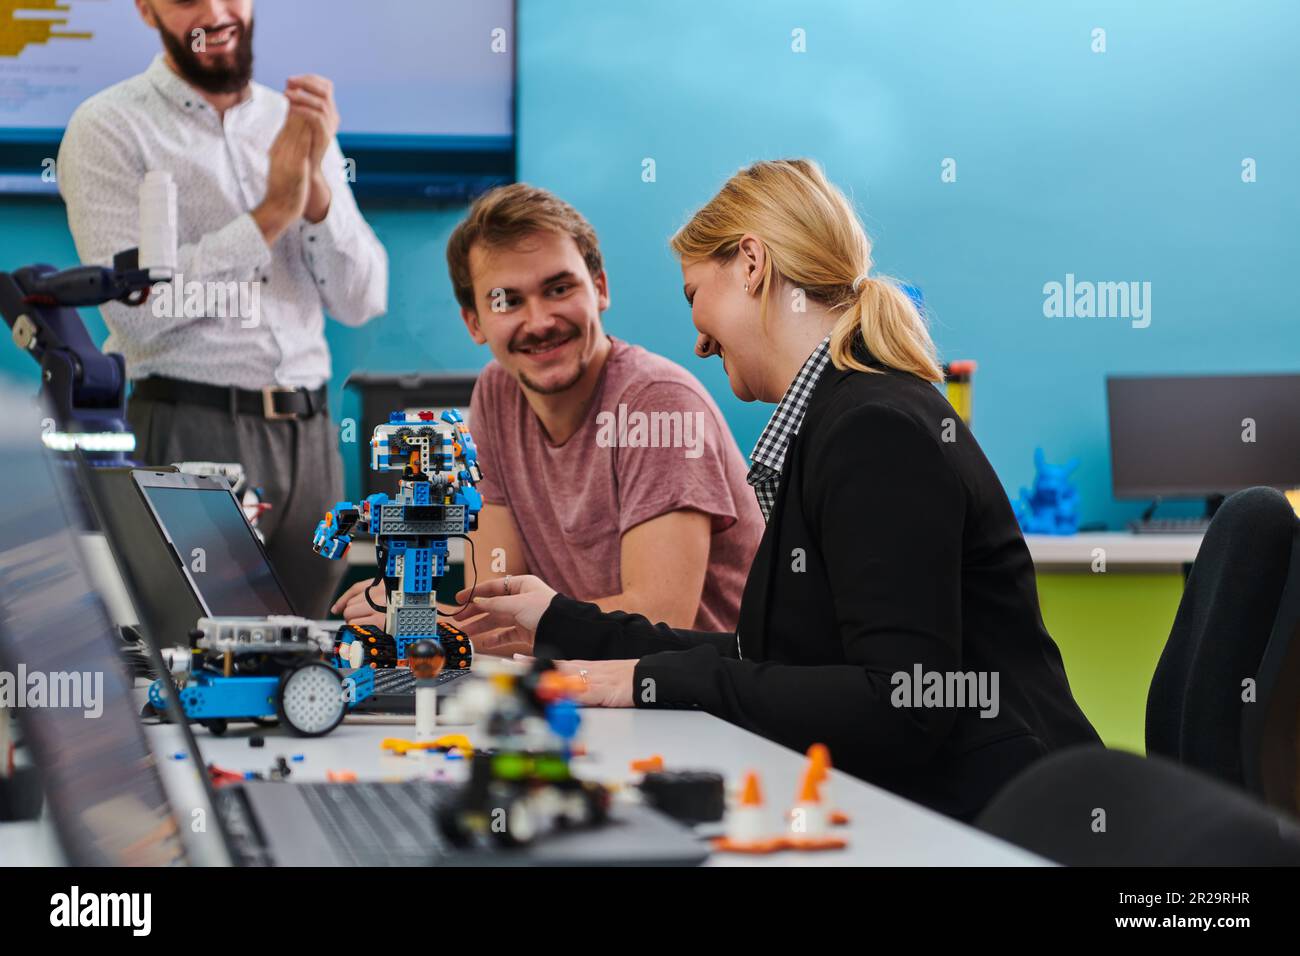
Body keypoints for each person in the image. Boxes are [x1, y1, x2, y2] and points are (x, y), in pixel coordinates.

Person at [446, 159, 1101, 821]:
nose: (699, 339)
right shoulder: (841, 417)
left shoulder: (872, 429)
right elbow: (775, 661)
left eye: (694, 294)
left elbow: (902, 703)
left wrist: (646, 679)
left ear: (752, 265)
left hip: (1007, 820)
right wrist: (559, 620)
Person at [58, 0, 388, 618]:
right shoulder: (107, 127)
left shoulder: (294, 120)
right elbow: (136, 313)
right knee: (199, 664)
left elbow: (363, 298)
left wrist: (315, 199)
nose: (214, 12)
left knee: (305, 667)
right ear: (146, 9)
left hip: (312, 442)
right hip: (191, 428)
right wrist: (269, 217)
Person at [333, 184, 763, 640]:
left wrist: (420, 623)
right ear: (474, 322)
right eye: (507, 301)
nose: (538, 322)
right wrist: (422, 621)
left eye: (558, 289)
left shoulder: (656, 403)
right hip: (589, 680)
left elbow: (657, 621)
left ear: (599, 288)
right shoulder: (497, 394)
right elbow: (497, 601)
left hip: (702, 700)